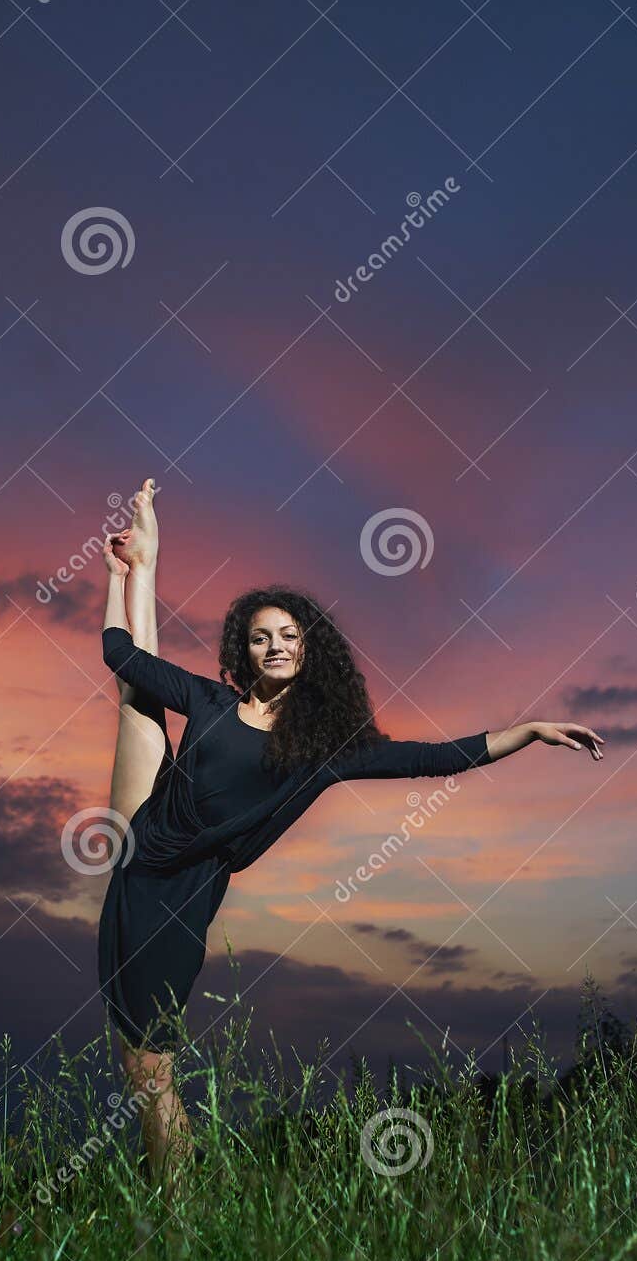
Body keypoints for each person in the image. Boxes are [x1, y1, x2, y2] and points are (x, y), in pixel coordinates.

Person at [98, 480, 604, 1184]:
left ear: (310, 651)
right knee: (136, 697)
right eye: (260, 637)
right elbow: (120, 654)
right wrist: (119, 574)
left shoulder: (324, 750)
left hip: (180, 892)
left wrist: (527, 731)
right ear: (243, 651)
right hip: (137, 841)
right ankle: (145, 563)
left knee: (148, 1068)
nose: (275, 646)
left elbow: (431, 759)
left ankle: (181, 1209)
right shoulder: (210, 701)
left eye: (288, 636)